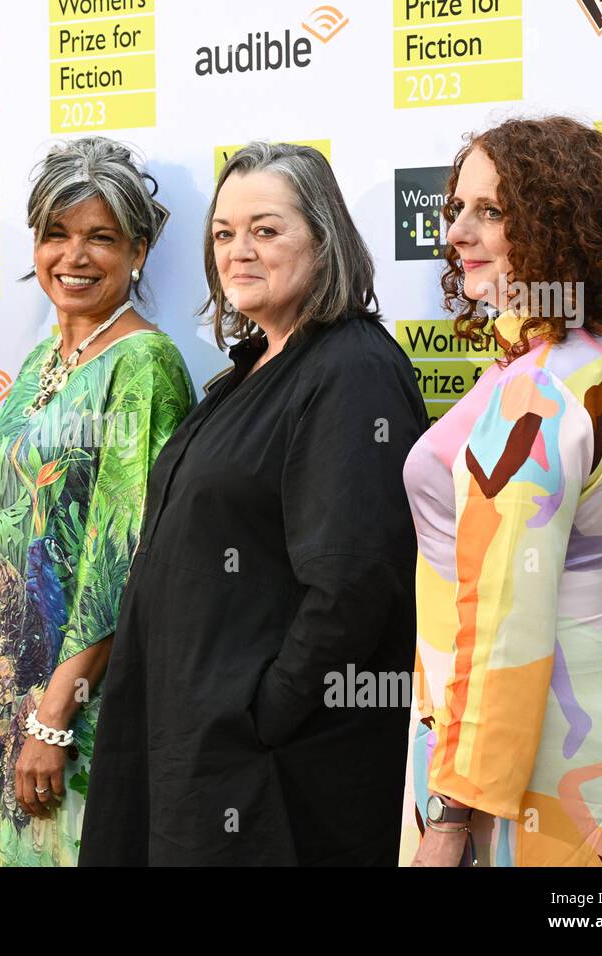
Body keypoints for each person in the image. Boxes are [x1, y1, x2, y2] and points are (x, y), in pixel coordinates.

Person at [80, 142, 427, 866]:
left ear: (324, 239)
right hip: (197, 751)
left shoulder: (352, 370)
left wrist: (262, 711)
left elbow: (354, 582)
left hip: (274, 777)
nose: (238, 250)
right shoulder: (250, 368)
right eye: (223, 233)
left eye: (265, 230)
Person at [402, 117, 602, 867]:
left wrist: (450, 815)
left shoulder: (538, 387)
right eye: (457, 208)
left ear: (558, 227)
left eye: (492, 212)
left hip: (521, 759)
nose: (458, 233)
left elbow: (507, 613)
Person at [0, 137, 194, 867]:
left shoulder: (144, 363)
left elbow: (124, 561)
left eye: (102, 238)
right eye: (56, 234)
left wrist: (54, 719)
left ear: (139, 251)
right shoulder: (40, 361)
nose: (74, 256)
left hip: (71, 716)